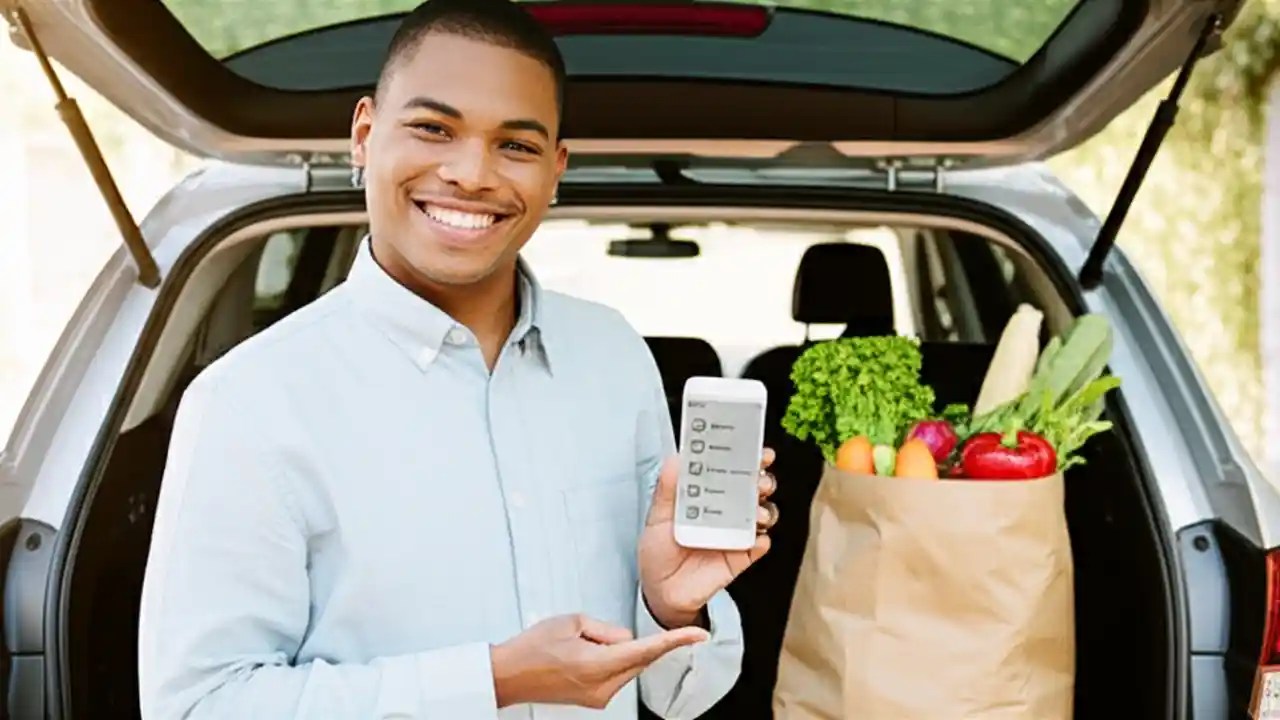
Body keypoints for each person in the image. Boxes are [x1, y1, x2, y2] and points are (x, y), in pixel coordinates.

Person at [136, 0, 779, 717]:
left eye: (517, 145)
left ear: (556, 169)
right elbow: (198, 705)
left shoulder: (612, 353)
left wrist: (668, 609)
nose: (471, 174)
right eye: (433, 129)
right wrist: (495, 679)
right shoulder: (248, 401)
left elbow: (679, 697)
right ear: (364, 135)